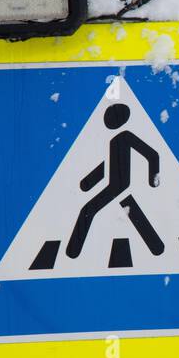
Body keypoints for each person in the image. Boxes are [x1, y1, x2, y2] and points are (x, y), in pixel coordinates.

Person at [66, 102, 164, 259]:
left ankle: (72, 252)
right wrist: (88, 182)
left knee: (88, 210)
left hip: (119, 186)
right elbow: (109, 165)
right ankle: (158, 248)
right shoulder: (115, 141)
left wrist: (153, 179)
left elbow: (152, 155)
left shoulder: (126, 137)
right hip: (116, 186)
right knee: (134, 214)